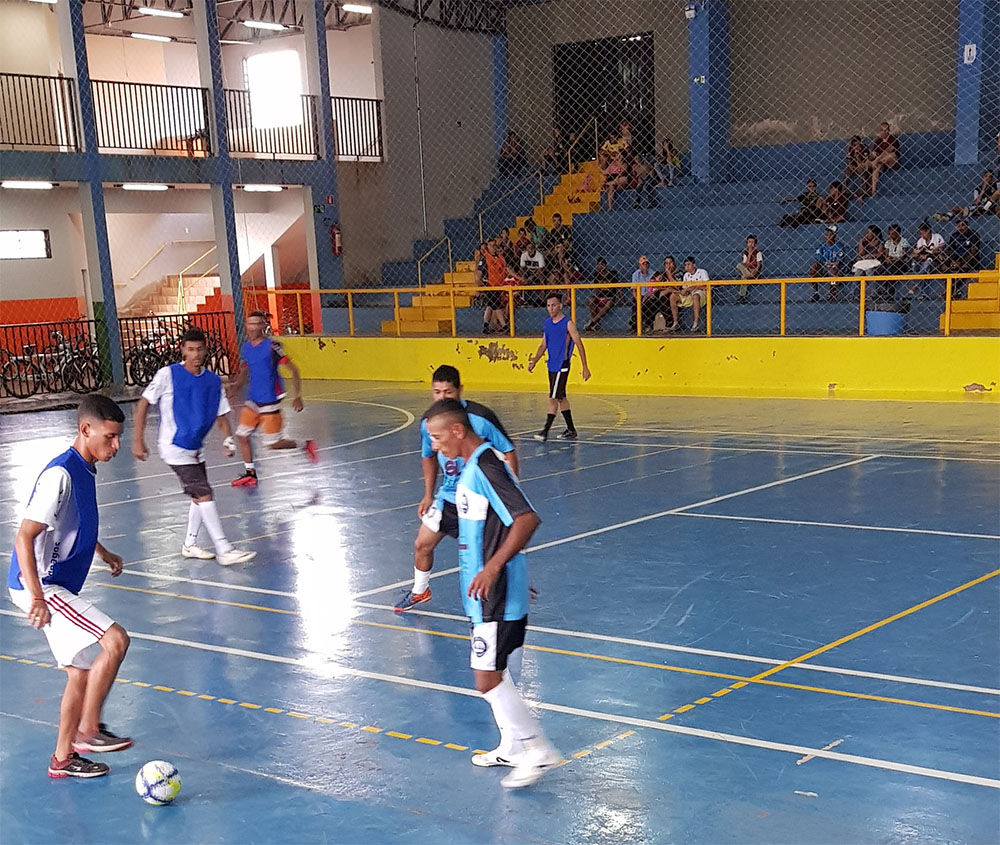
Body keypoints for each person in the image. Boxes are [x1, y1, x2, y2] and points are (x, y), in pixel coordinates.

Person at [422, 399, 561, 789]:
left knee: (486, 679)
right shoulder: (473, 469)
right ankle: (513, 746)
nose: (434, 446)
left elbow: (526, 517)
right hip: (490, 590)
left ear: (457, 431)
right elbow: (496, 528)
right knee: (497, 673)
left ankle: (538, 749)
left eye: (436, 437)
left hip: (494, 592)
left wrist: (497, 566)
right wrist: (509, 564)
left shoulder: (485, 466)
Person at [8, 394, 132, 779]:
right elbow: (23, 537)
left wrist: (104, 552)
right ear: (85, 429)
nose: (116, 446)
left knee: (79, 674)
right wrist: (40, 598)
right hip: (42, 585)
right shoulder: (61, 473)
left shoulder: (85, 469)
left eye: (118, 438)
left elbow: (69, 525)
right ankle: (89, 731)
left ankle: (63, 759)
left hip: (53, 584)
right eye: (110, 437)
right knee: (115, 641)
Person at [394, 366, 518, 613]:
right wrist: (428, 494)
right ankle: (420, 590)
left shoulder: (480, 418)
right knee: (422, 544)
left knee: (489, 555)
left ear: (460, 390)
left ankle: (505, 598)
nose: (442, 397)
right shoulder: (430, 422)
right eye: (436, 392)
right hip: (449, 497)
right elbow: (428, 456)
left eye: (448, 392)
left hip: (480, 499)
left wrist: (509, 492)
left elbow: (508, 451)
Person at [133, 327, 256, 566]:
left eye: (199, 349)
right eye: (190, 349)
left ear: (205, 350)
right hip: (174, 447)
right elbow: (144, 404)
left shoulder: (212, 381)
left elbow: (221, 415)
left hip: (194, 448)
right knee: (204, 493)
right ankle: (223, 549)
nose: (195, 354)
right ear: (183, 350)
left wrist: (228, 439)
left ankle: (190, 544)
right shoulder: (167, 375)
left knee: (198, 497)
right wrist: (138, 439)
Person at [228, 311, 317, 487]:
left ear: (263, 326)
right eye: (250, 324)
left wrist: (297, 396)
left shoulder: (272, 346)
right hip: (253, 399)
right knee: (242, 435)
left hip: (270, 399)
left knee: (273, 444)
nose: (253, 327)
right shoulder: (246, 348)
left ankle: (305, 444)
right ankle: (250, 473)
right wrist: (236, 386)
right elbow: (245, 370)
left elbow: (294, 370)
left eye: (256, 324)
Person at [527, 293, 591, 441]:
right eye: (548, 305)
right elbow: (544, 344)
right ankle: (571, 429)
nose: (551, 308)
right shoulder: (548, 323)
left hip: (562, 365)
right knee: (561, 397)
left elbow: (579, 344)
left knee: (553, 398)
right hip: (552, 365)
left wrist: (585, 366)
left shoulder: (568, 323)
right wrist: (535, 361)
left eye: (554, 305)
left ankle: (545, 431)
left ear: (560, 306)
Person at [668, 257, 709, 332]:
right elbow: (685, 289)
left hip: (701, 294)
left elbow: (706, 286)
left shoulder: (702, 272)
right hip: (690, 295)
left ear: (694, 265)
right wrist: (682, 292)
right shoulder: (686, 275)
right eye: (685, 265)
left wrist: (693, 287)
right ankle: (675, 322)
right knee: (673, 296)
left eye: (689, 264)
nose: (687, 266)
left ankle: (695, 323)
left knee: (696, 296)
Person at [946, 219, 981, 298]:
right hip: (956, 258)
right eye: (958, 226)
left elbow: (973, 252)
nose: (961, 228)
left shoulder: (973, 235)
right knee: (945, 265)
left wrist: (960, 262)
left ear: (967, 226)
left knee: (964, 266)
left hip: (970, 259)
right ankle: (950, 290)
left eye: (963, 225)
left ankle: (953, 289)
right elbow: (950, 250)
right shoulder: (954, 235)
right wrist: (952, 260)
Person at [810, 224, 845, 301]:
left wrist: (834, 263)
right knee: (814, 266)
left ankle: (832, 292)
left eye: (830, 234)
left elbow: (839, 259)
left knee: (834, 269)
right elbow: (817, 256)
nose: (828, 236)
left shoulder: (839, 246)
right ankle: (815, 293)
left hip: (834, 267)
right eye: (827, 234)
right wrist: (825, 262)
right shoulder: (822, 245)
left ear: (834, 235)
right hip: (824, 266)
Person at [482, 240, 509, 335]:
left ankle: (485, 325)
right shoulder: (485, 258)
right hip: (491, 285)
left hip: (499, 285)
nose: (493, 247)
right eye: (491, 245)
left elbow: (504, 269)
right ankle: (504, 325)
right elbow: (480, 272)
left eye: (494, 245)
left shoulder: (500, 257)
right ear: (488, 247)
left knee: (490, 305)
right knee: (497, 305)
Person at [585, 257, 619, 332]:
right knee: (591, 300)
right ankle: (595, 323)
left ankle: (593, 321)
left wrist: (620, 296)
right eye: (599, 265)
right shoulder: (596, 275)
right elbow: (596, 289)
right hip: (600, 296)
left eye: (602, 264)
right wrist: (597, 297)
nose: (601, 267)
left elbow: (618, 286)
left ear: (605, 265)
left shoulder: (612, 273)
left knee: (609, 303)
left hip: (610, 297)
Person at [868, 121, 900, 197]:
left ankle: (877, 161)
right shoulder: (878, 141)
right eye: (880, 130)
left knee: (891, 155)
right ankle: (873, 190)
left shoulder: (893, 139)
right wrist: (870, 157)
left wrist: (877, 159)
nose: (880, 132)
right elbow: (874, 152)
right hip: (882, 163)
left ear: (887, 131)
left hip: (892, 162)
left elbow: (889, 150)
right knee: (876, 168)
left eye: (882, 130)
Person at [736, 235, 763, 302]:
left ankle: (742, 296)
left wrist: (754, 272)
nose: (750, 244)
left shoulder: (758, 253)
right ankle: (742, 296)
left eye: (752, 242)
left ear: (755, 244)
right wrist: (750, 254)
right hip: (747, 271)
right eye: (749, 242)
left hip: (754, 272)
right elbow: (746, 264)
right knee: (739, 265)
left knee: (743, 277)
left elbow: (758, 265)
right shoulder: (745, 253)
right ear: (747, 243)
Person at [843, 135, 871, 201]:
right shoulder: (850, 148)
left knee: (863, 173)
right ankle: (843, 192)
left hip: (864, 165)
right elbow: (848, 160)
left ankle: (862, 192)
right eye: (854, 145)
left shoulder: (865, 149)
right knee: (846, 174)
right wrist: (851, 166)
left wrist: (857, 154)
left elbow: (863, 163)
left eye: (857, 144)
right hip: (854, 166)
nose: (856, 146)